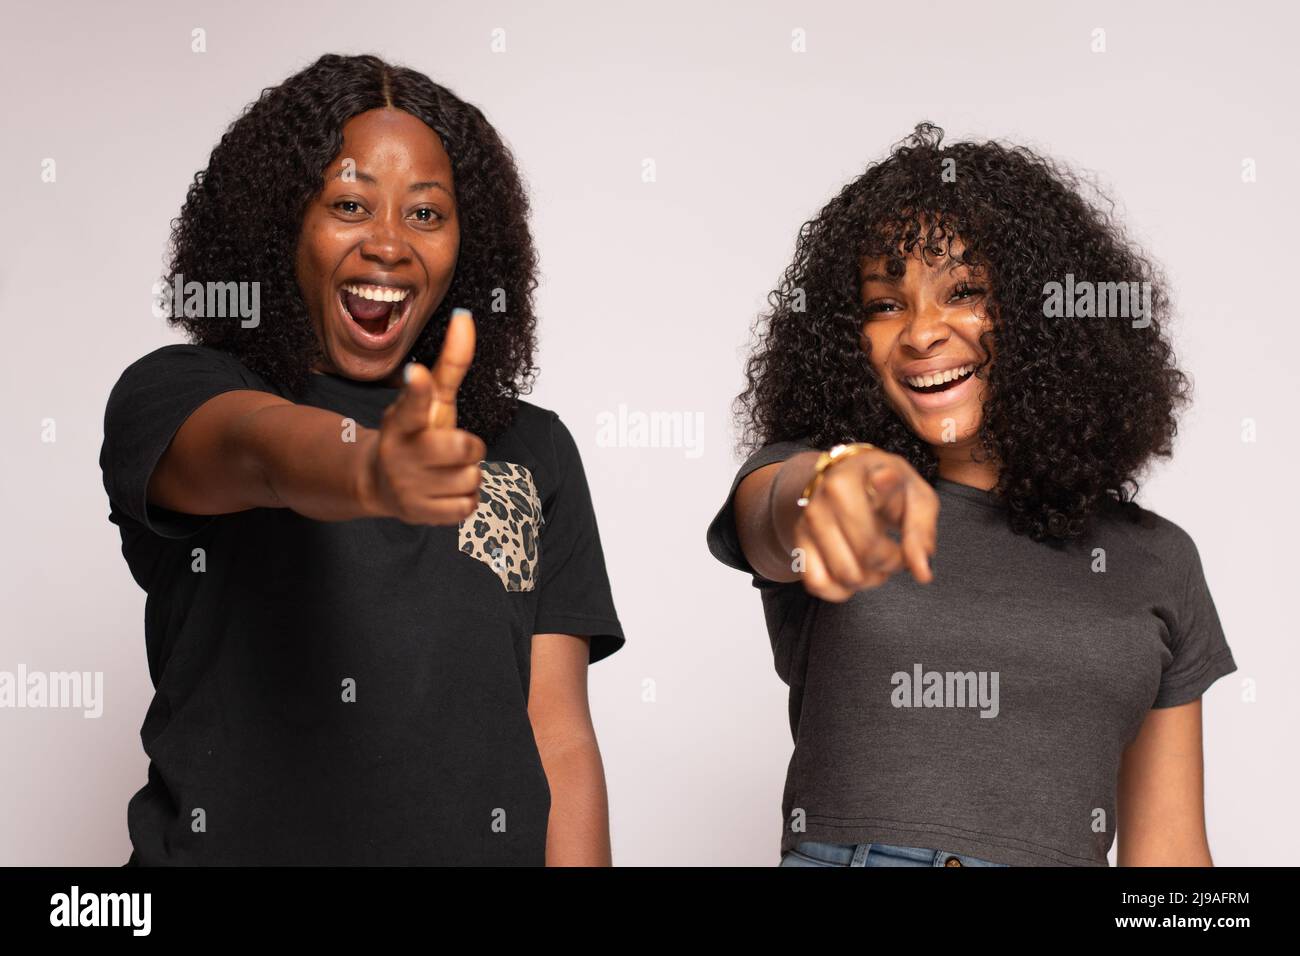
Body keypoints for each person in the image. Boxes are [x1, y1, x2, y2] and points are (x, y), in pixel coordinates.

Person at [100, 53, 624, 866]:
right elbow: (256, 450)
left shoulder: (532, 448)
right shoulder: (178, 395)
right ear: (283, 225)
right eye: (349, 204)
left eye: (425, 214)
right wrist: (370, 471)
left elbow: (556, 735)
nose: (388, 244)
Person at [706, 123, 1237, 867]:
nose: (922, 333)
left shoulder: (1157, 560)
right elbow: (771, 514)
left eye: (966, 292)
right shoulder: (822, 478)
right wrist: (825, 487)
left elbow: (1171, 854)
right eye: (885, 304)